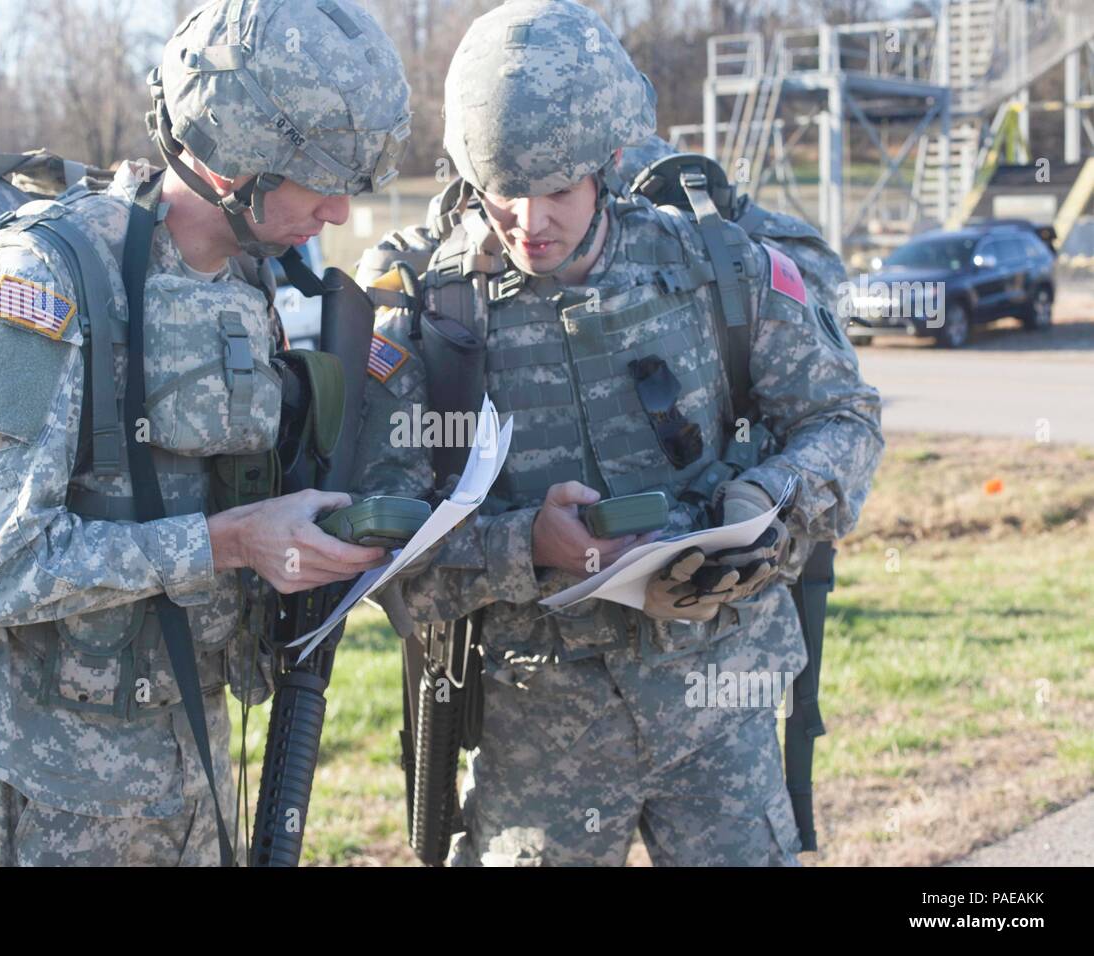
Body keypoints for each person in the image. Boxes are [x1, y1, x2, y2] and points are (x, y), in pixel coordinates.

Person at [351, 0, 883, 866]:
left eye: (557, 190)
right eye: (502, 194)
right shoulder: (430, 318)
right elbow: (382, 543)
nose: (530, 221)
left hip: (720, 703)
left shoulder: (717, 268)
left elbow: (845, 419)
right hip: (542, 733)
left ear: (607, 164)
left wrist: (771, 500)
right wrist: (526, 545)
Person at [0, 0, 410, 866]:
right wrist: (226, 544)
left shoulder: (244, 283)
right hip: (56, 804)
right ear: (240, 157)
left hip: (198, 771)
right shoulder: (41, 281)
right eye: (322, 177)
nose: (339, 211)